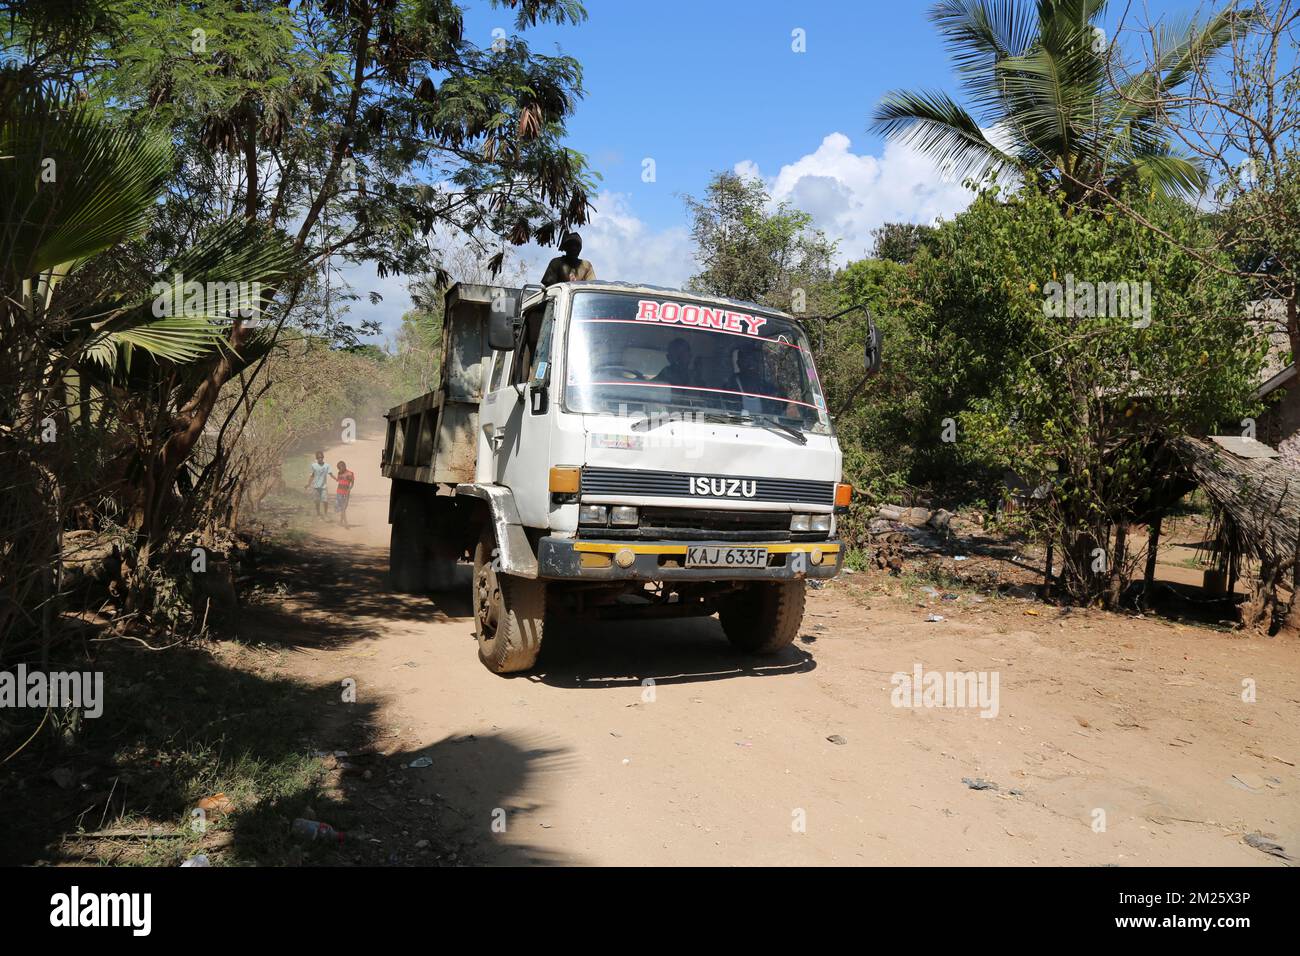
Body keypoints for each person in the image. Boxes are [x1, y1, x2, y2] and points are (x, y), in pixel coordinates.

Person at [305, 450, 332, 519]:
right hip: (316, 486)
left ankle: (326, 514)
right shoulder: (314, 465)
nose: (320, 459)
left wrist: (337, 479)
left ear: (323, 457)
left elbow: (330, 474)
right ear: (317, 458)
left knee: (325, 500)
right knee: (317, 501)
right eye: (319, 457)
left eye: (321, 457)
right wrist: (308, 484)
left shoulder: (327, 465)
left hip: (324, 487)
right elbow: (312, 475)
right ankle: (318, 514)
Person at [331, 460, 356, 528]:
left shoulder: (350, 473)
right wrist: (333, 476)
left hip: (346, 493)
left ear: (345, 466)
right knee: (343, 508)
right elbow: (338, 480)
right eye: (339, 468)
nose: (340, 469)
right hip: (339, 492)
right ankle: (346, 523)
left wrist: (349, 489)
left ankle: (341, 521)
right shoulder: (339, 473)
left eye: (341, 467)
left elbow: (352, 483)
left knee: (344, 508)